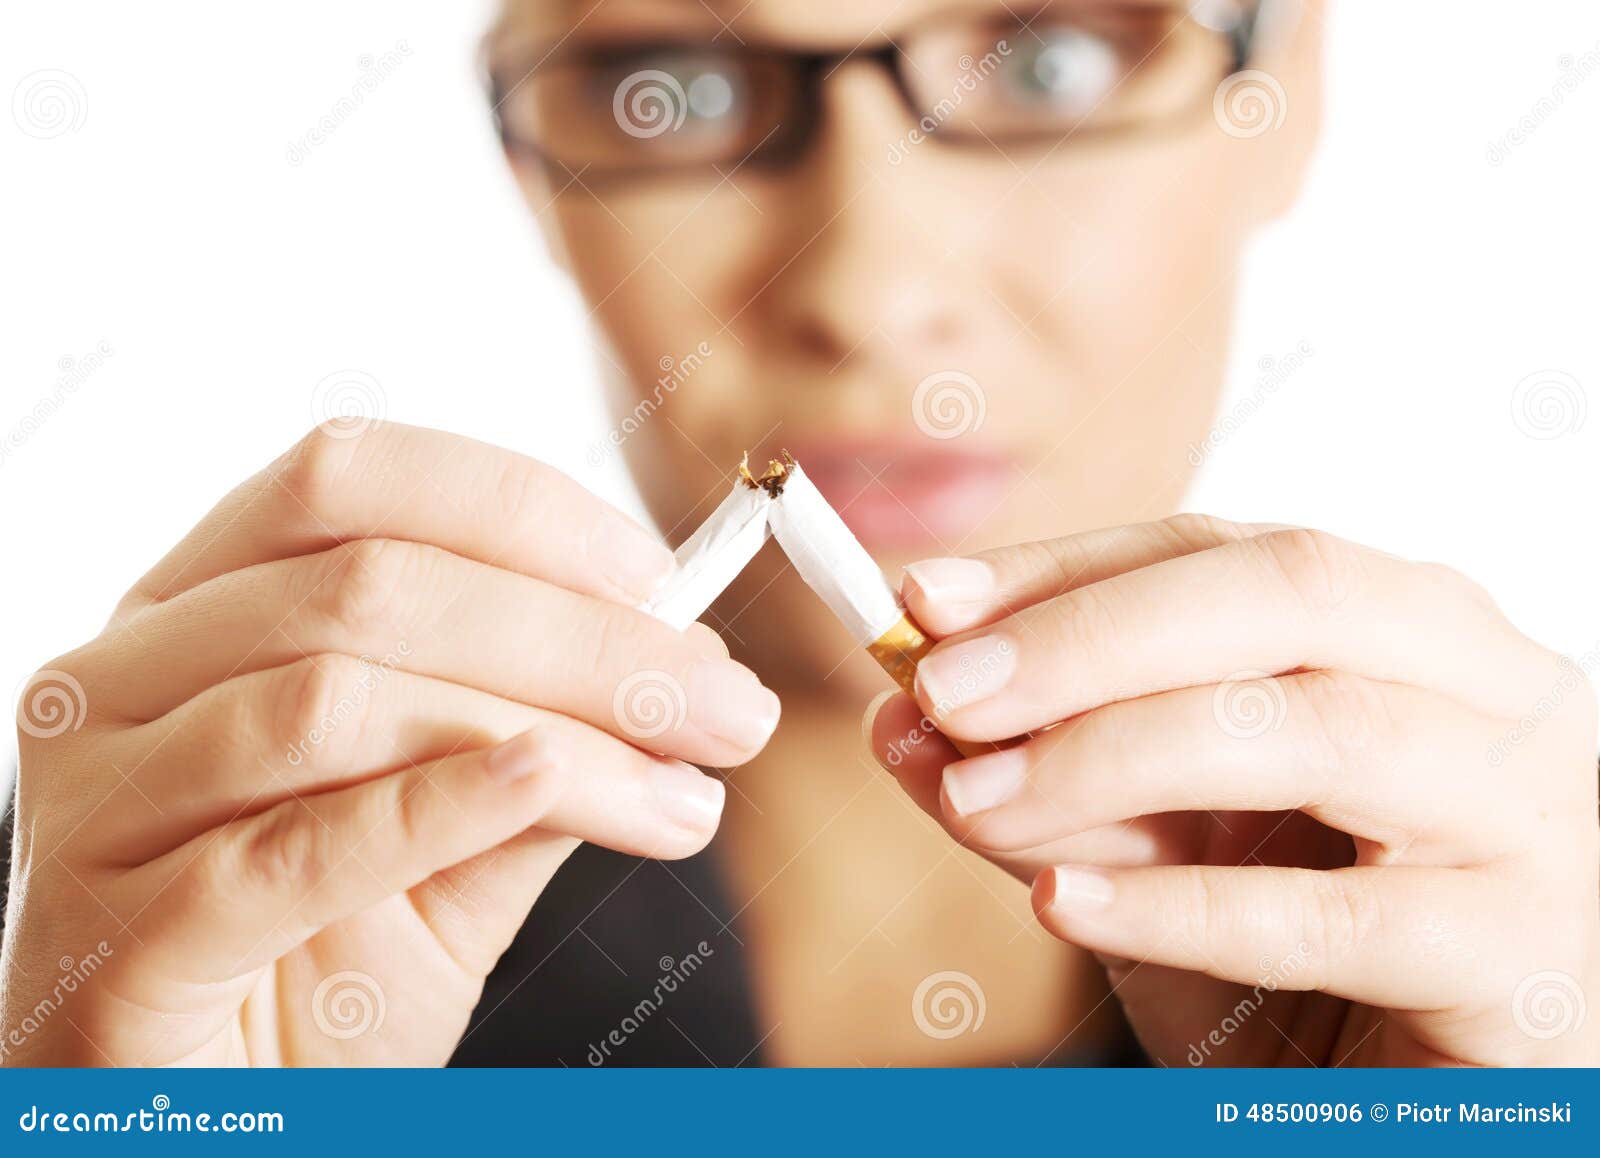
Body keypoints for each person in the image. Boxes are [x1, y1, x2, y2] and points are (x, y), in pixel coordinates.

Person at [3, 0, 1596, 1068]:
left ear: (1287, 83)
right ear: (527, 166)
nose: (862, 288)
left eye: (1046, 53)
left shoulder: (1530, 966)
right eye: (678, 83)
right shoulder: (172, 945)